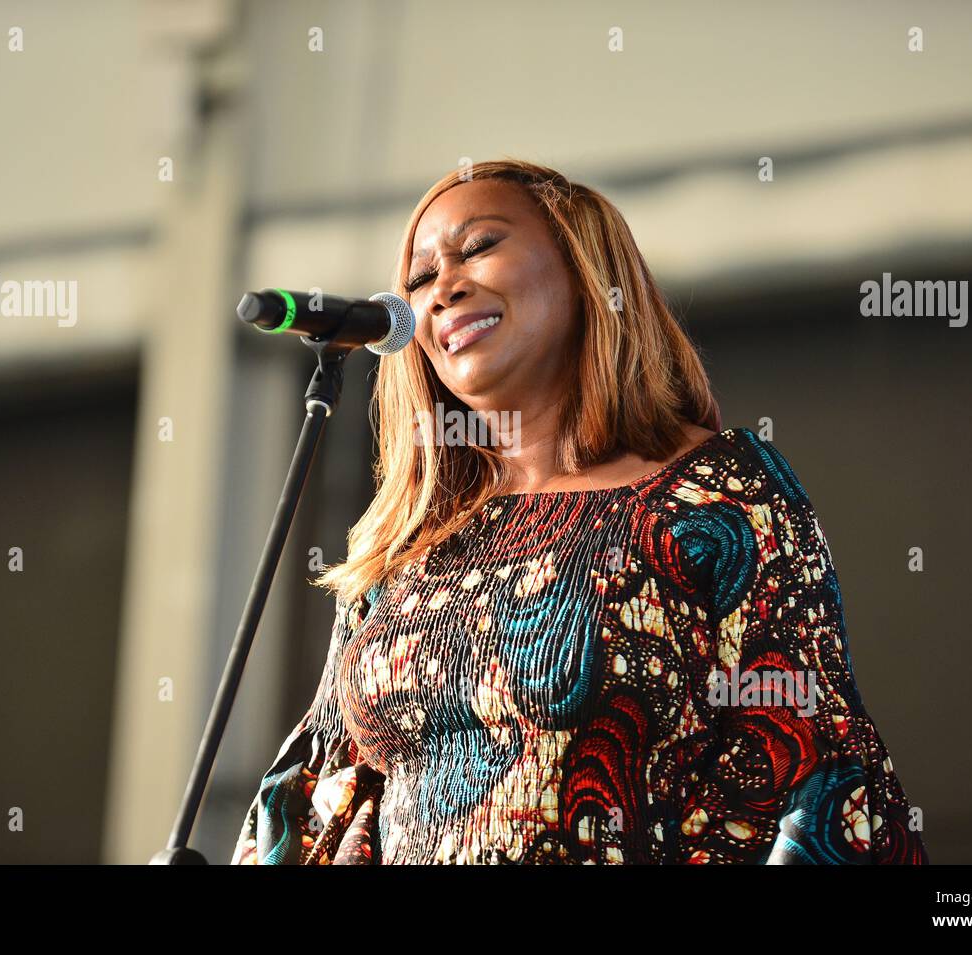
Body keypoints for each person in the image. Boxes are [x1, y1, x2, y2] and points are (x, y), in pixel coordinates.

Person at [231, 159, 929, 865]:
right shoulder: (405, 545)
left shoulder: (714, 493)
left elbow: (808, 761)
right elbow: (322, 786)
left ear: (582, 265)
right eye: (418, 278)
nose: (443, 287)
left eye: (478, 248)